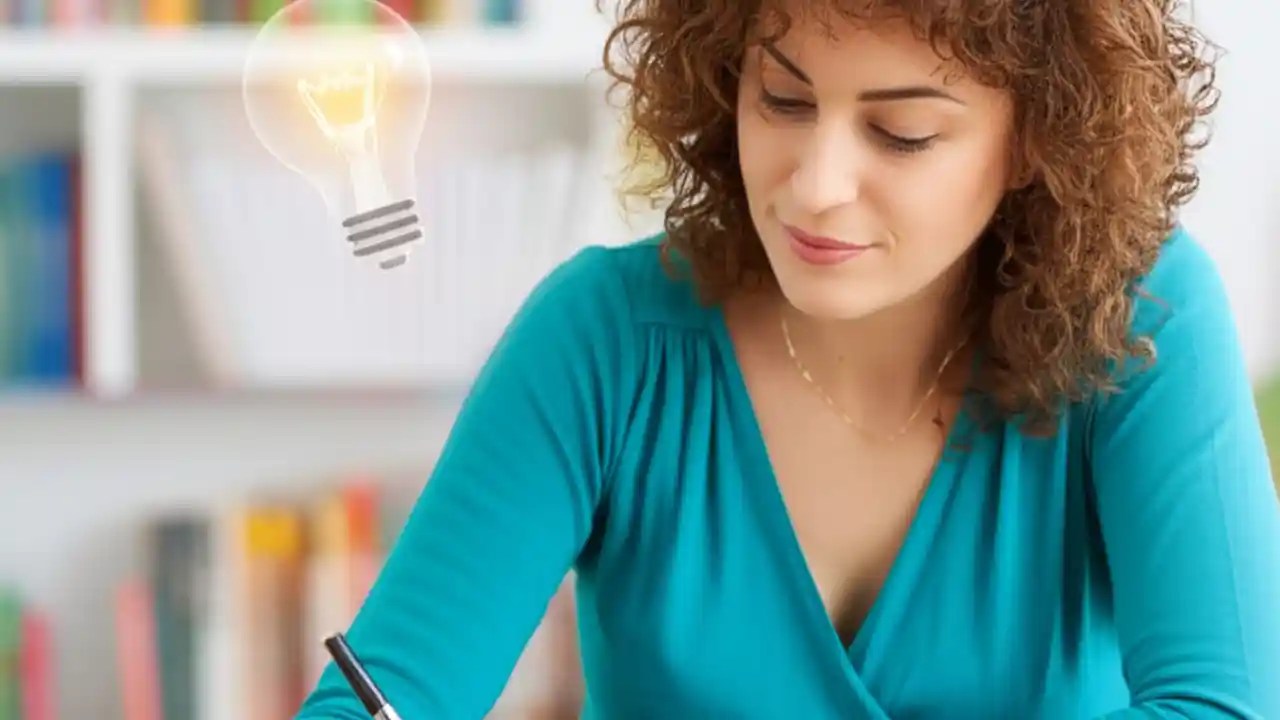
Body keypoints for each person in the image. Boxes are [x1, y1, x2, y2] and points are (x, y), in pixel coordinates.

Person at [295, 0, 1280, 717]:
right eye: (783, 101)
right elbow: (384, 696)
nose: (813, 189)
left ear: (1034, 139)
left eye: (900, 133)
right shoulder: (600, 340)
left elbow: (1221, 706)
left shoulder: (1141, 316)